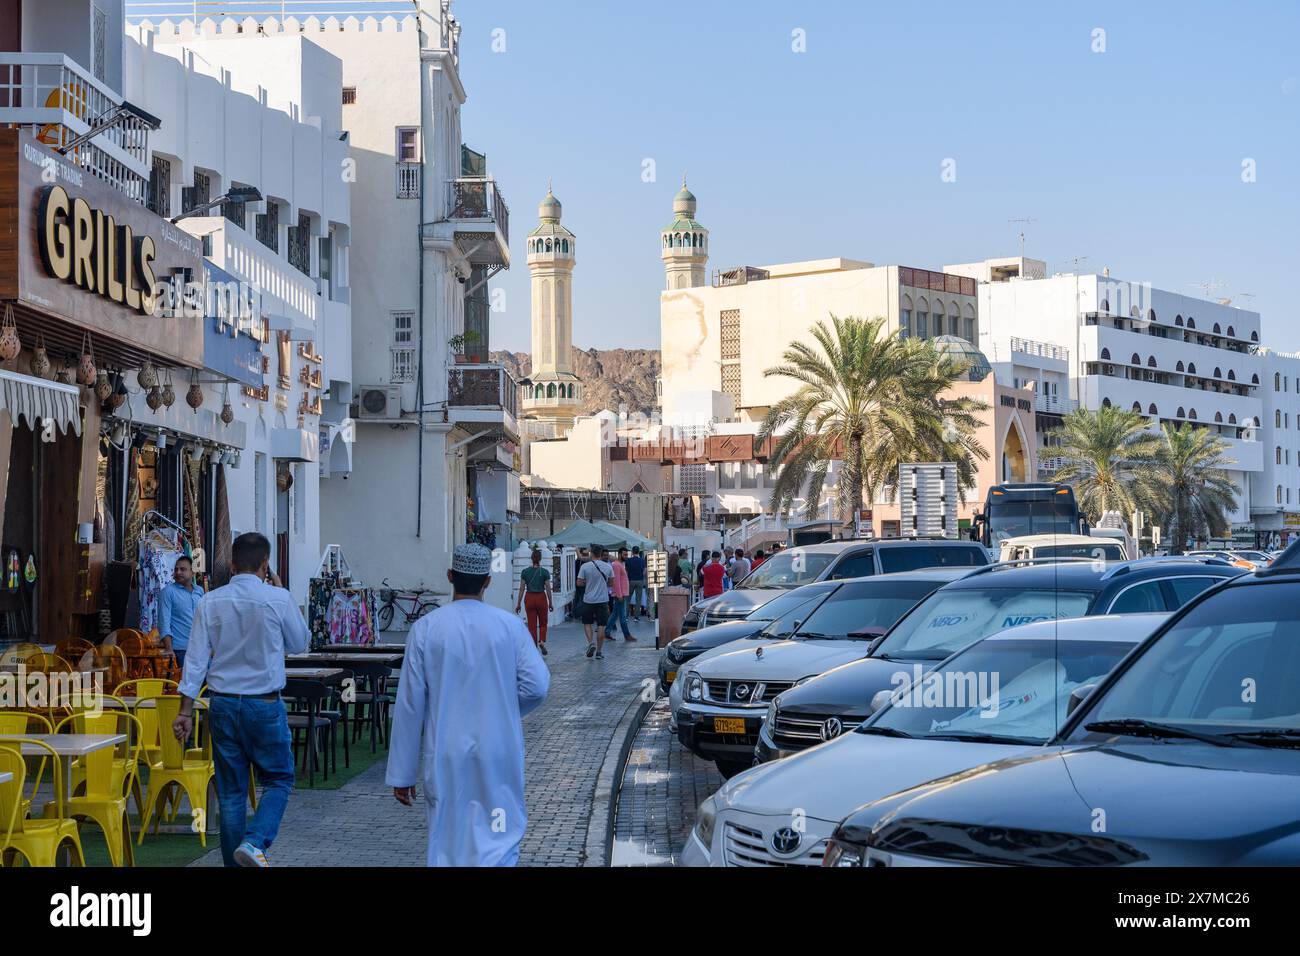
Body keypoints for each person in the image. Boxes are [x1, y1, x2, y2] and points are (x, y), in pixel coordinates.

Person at [387, 543, 550, 866]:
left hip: (446, 751)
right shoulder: (510, 628)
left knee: (448, 840)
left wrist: (402, 773)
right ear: (487, 581)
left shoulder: (426, 630)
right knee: (499, 835)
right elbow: (537, 686)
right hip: (498, 749)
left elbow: (409, 706)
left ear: (450, 577)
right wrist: (502, 710)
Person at [173, 532, 309, 868]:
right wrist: (279, 589)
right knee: (279, 779)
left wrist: (185, 710)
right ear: (265, 564)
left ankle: (238, 861)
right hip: (264, 703)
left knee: (231, 794)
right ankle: (255, 841)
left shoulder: (210, 601)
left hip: (223, 703)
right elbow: (300, 642)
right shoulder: (278, 599)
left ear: (232, 564)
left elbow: (195, 660)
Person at [159, 555, 204, 673]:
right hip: (181, 650)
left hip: (201, 648)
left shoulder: (199, 591)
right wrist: (169, 649)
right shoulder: (168, 592)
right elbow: (164, 622)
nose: (178, 572)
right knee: (185, 688)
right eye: (176, 569)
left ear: (193, 572)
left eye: (183, 569)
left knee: (205, 689)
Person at [577, 545, 614, 659]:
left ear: (592, 553)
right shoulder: (608, 567)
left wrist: (587, 583)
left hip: (588, 599)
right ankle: (599, 652)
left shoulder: (585, 567)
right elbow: (611, 584)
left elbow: (579, 583)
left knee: (587, 623)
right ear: (601, 553)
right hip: (603, 600)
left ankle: (590, 643)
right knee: (601, 625)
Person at [514, 548, 553, 656]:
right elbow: (548, 589)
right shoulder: (544, 572)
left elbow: (521, 589)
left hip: (529, 597)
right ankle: (541, 641)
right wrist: (550, 602)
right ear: (540, 559)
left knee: (531, 624)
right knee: (543, 622)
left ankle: (533, 647)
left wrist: (518, 603)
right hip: (541, 597)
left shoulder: (525, 572)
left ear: (531, 559)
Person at [605, 548, 635, 642]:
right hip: (620, 594)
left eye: (627, 554)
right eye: (624, 554)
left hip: (622, 593)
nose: (626, 556)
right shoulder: (616, 565)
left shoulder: (620, 564)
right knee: (622, 616)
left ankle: (607, 632)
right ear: (619, 554)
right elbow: (616, 581)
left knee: (615, 615)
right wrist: (619, 594)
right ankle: (627, 635)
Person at [625, 546, 647, 619]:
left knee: (628, 598)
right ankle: (636, 617)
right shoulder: (642, 560)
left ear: (632, 552)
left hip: (630, 580)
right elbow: (644, 572)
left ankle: (626, 616)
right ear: (638, 552)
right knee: (638, 599)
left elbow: (626, 571)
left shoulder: (628, 560)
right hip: (640, 580)